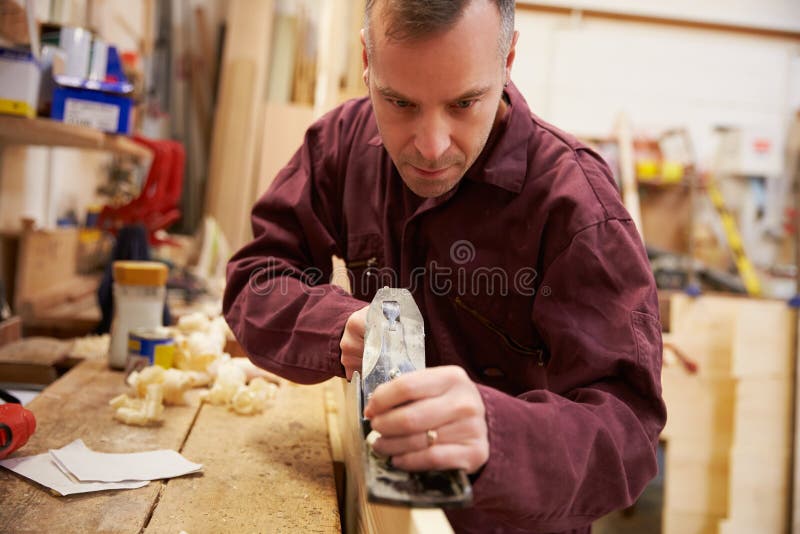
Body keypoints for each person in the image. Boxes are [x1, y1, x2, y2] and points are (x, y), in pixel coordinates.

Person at [223, 0, 666, 532]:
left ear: (508, 61)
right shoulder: (342, 144)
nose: (431, 147)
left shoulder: (578, 208)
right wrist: (337, 327)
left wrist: (496, 433)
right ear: (367, 58)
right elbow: (258, 278)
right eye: (399, 102)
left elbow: (628, 434)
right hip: (376, 507)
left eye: (464, 103)